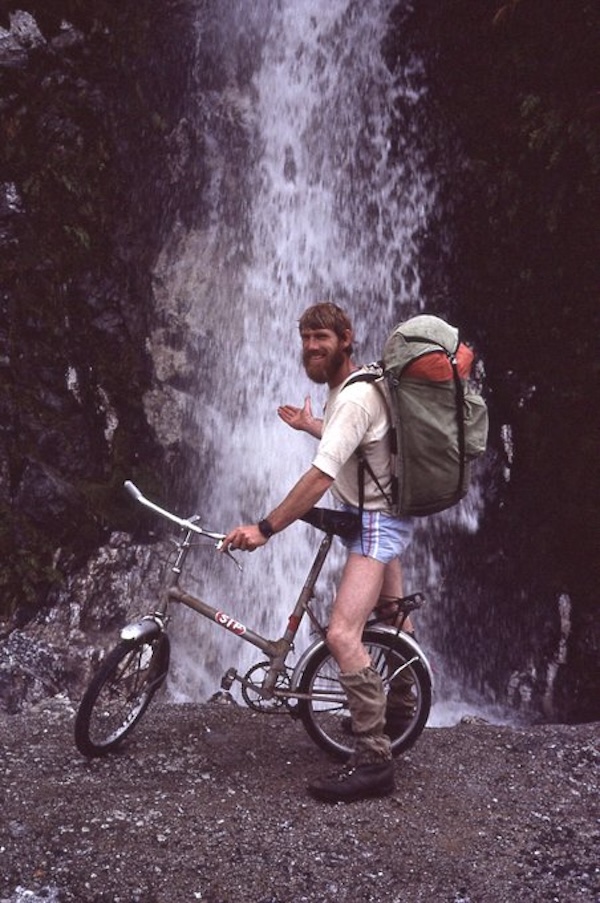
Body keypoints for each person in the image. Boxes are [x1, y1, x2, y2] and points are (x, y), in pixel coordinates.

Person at [221, 301, 414, 803]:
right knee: (392, 616)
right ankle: (399, 709)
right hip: (376, 513)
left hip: (375, 523)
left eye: (321, 338)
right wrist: (313, 426)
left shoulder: (353, 398)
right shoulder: (351, 387)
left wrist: (266, 528)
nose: (311, 347)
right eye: (306, 338)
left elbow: (321, 476)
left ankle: (375, 761)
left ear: (346, 338)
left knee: (343, 634)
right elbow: (357, 439)